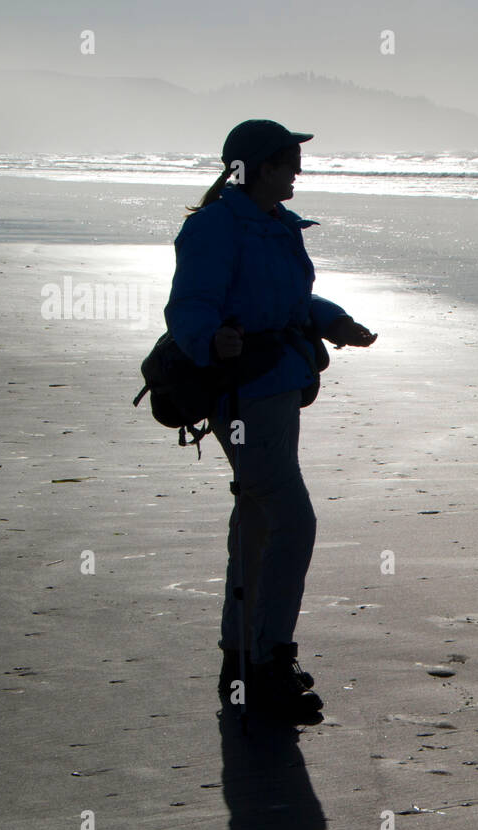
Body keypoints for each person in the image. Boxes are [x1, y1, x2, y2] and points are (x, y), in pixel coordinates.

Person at [164, 119, 376, 724]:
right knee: (290, 520)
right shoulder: (213, 228)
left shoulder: (278, 226)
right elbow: (188, 306)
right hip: (243, 394)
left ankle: (244, 664)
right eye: (286, 161)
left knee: (257, 520)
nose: (297, 171)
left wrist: (335, 322)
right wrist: (212, 340)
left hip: (279, 387)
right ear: (254, 167)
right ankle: (267, 661)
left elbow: (290, 302)